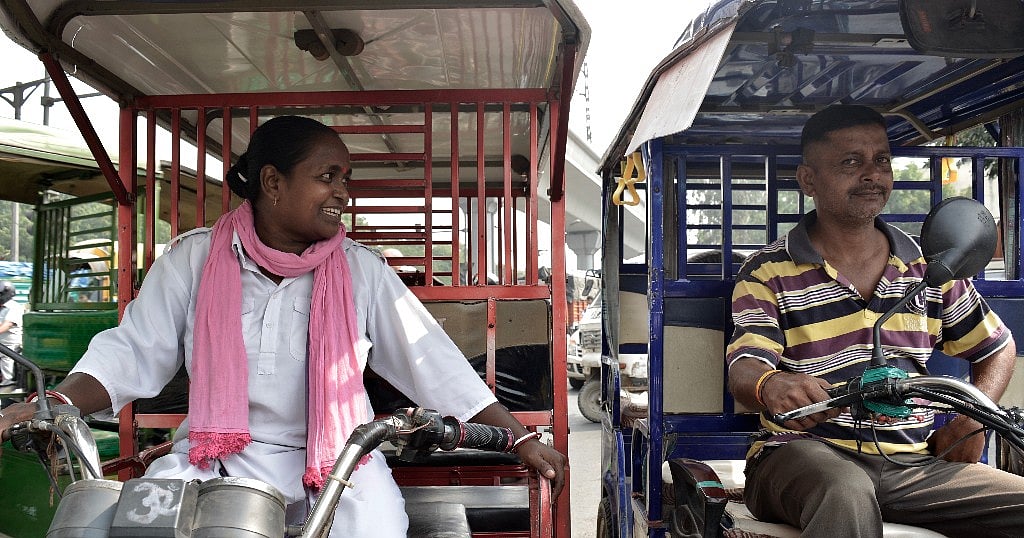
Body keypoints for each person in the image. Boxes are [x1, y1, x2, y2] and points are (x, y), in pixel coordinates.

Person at [0, 115, 566, 536]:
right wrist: (58, 403)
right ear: (272, 183)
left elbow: (434, 366)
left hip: (341, 463)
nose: (343, 192)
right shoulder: (192, 260)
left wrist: (518, 436)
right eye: (328, 177)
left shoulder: (360, 271)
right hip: (214, 458)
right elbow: (130, 353)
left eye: (345, 177)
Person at [726, 104, 1024, 537]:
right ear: (808, 179)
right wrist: (771, 386)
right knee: (845, 491)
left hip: (912, 465)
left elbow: (997, 348)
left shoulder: (928, 268)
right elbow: (746, 366)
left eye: (880, 160)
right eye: (851, 162)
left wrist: (974, 417)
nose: (872, 174)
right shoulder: (768, 271)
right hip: (799, 455)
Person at [0, 281, 23, 390]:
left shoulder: (13, 307)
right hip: (2, 344)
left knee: (6, 358)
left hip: (10, 345)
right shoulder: (2, 308)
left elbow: (7, 325)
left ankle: (8, 383)